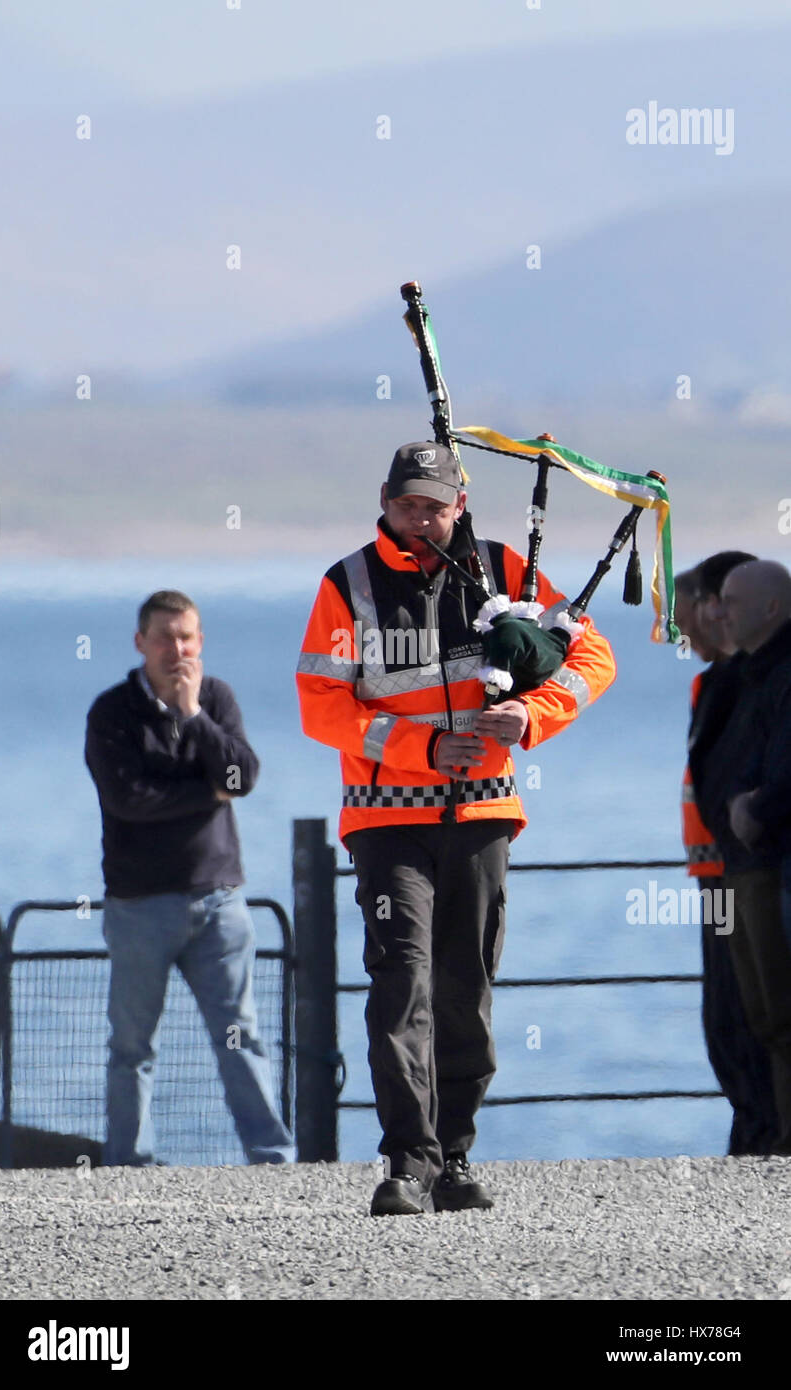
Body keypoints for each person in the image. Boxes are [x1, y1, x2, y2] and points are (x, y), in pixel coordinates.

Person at [297, 441, 616, 1215]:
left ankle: (454, 1157)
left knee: (464, 991)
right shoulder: (347, 585)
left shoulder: (509, 574)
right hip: (384, 822)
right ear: (384, 498)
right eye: (406, 505)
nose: (418, 520)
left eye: (432, 507)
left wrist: (531, 717)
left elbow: (593, 655)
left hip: (481, 816)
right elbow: (322, 707)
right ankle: (406, 1162)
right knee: (400, 981)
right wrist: (424, 747)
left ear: (459, 503)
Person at [85, 589, 293, 1166]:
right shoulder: (112, 711)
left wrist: (194, 716)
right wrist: (208, 793)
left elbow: (242, 774)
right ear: (141, 643)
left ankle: (271, 1158)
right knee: (133, 1045)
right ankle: (129, 1162)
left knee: (240, 1036)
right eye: (164, 637)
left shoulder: (216, 699)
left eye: (187, 637)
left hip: (218, 902)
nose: (177, 649)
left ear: (199, 641)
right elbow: (129, 800)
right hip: (138, 906)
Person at [674, 557, 777, 1154]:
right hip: (714, 877)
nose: (678, 627)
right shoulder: (710, 682)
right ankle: (753, 1132)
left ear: (715, 604)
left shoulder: (748, 681)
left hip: (735, 874)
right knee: (725, 1013)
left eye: (683, 608)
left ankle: (764, 1137)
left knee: (746, 1011)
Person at [698, 559, 791, 1153]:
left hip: (765, 863)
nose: (718, 611)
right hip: (732, 865)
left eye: (729, 600)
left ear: (771, 609)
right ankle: (772, 1135)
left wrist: (757, 809)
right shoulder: (744, 674)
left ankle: (778, 1138)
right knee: (758, 1016)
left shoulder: (779, 674)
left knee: (779, 1013)